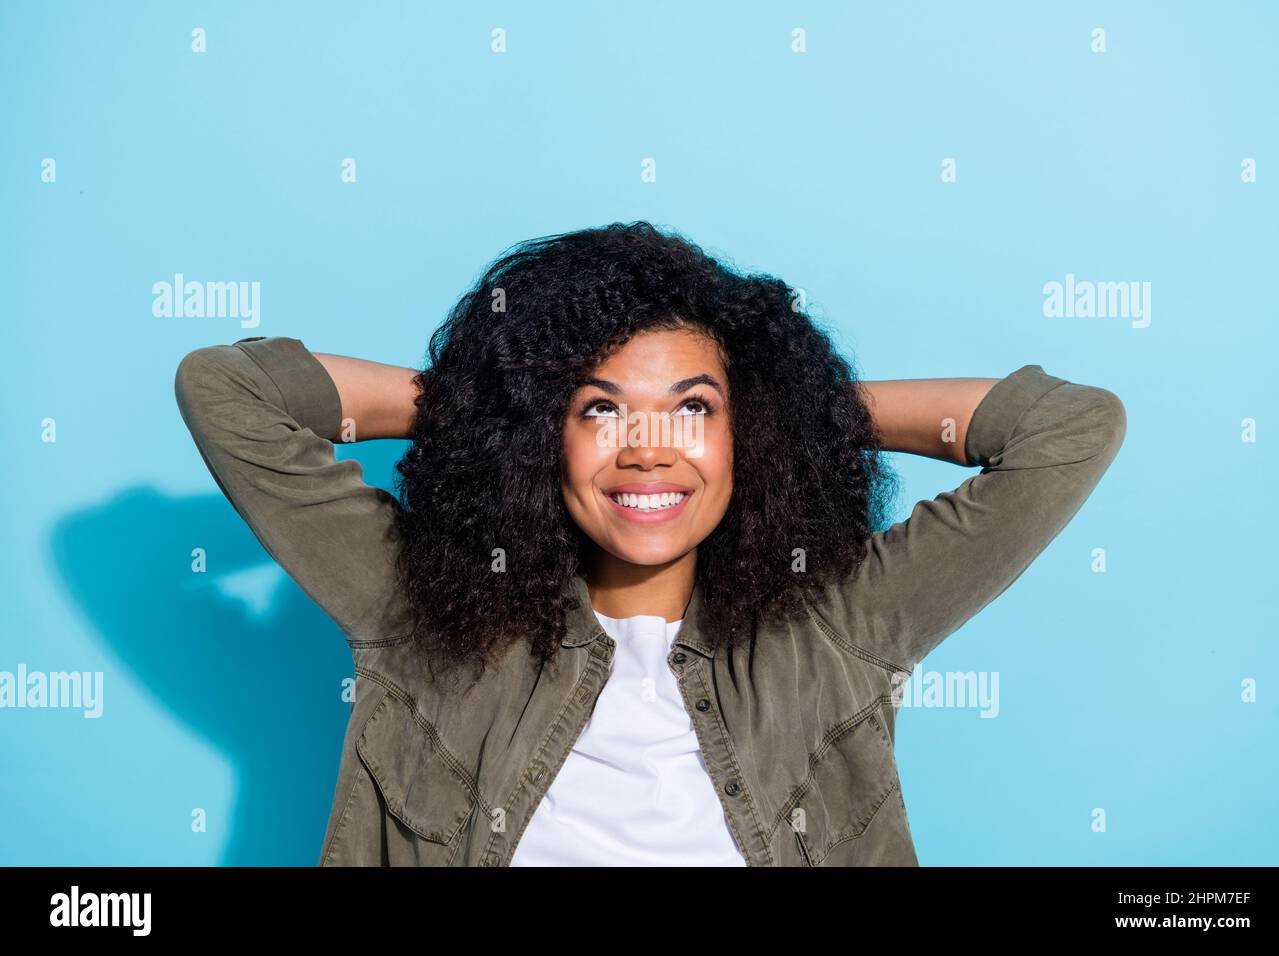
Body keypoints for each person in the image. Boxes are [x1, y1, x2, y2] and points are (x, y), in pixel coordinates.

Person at [173, 220, 1126, 866]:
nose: (650, 449)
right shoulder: (412, 604)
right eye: (599, 408)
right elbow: (227, 391)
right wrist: (487, 402)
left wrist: (800, 411)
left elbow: (1071, 429)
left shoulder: (842, 624)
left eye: (694, 409)